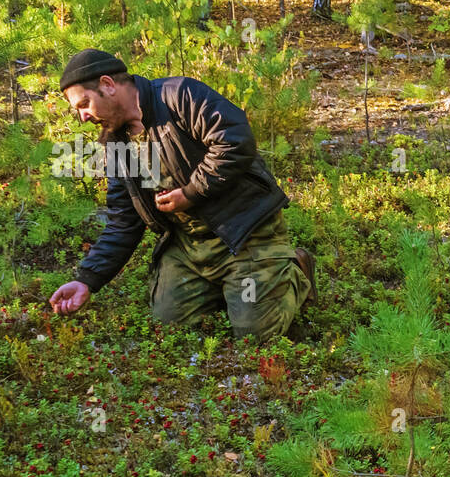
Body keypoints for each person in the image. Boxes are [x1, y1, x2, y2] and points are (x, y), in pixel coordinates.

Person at [48, 49, 316, 341]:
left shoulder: (179, 96)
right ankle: (230, 290)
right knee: (168, 327)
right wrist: (87, 279)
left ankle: (293, 273)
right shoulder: (115, 144)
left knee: (255, 337)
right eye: (77, 110)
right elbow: (123, 221)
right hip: (188, 248)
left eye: (84, 104)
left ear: (108, 85)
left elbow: (235, 143)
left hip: (245, 234)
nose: (82, 117)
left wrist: (190, 193)